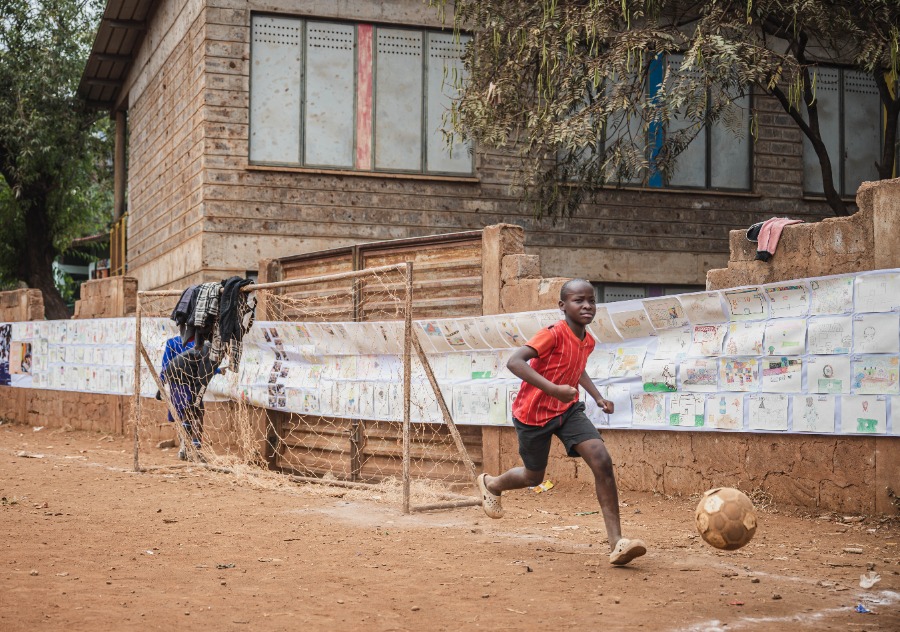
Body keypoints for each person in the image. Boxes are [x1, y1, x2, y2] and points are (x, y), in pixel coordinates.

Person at [477, 279, 647, 566]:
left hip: (568, 410)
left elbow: (576, 369)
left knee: (601, 460)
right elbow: (515, 362)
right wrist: (553, 389)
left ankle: (617, 543)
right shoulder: (552, 334)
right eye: (578, 300)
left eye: (591, 300)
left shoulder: (588, 340)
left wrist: (597, 397)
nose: (587, 306)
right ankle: (492, 485)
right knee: (534, 477)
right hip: (533, 414)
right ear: (562, 306)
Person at [160, 333, 221, 461]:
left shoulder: (204, 344)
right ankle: (185, 447)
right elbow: (166, 365)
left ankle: (195, 448)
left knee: (197, 411)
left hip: (191, 378)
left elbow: (204, 366)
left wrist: (218, 370)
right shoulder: (173, 343)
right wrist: (161, 382)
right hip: (178, 377)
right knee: (186, 411)